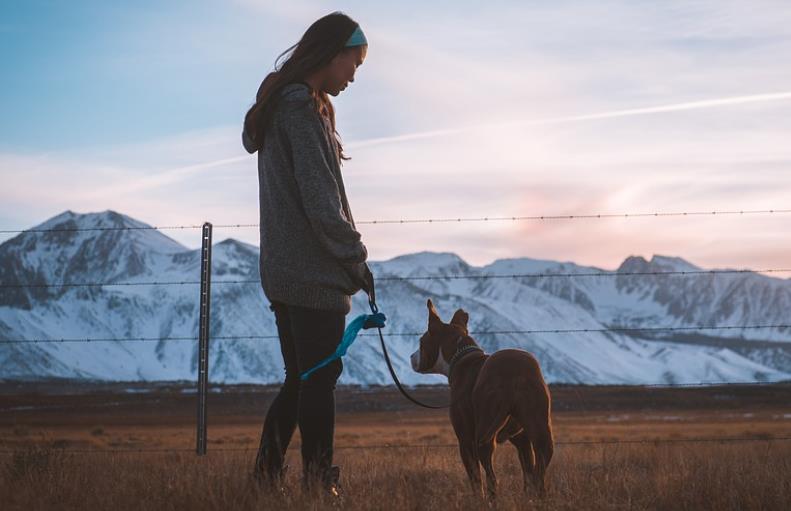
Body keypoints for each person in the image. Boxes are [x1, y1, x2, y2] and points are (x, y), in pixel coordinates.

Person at [241, 12, 373, 496]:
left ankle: (265, 477)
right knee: (318, 381)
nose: (353, 76)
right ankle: (319, 485)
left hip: (283, 270)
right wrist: (356, 260)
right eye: (353, 64)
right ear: (333, 53)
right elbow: (322, 205)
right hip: (313, 274)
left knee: (300, 379)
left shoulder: (283, 106)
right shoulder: (300, 110)